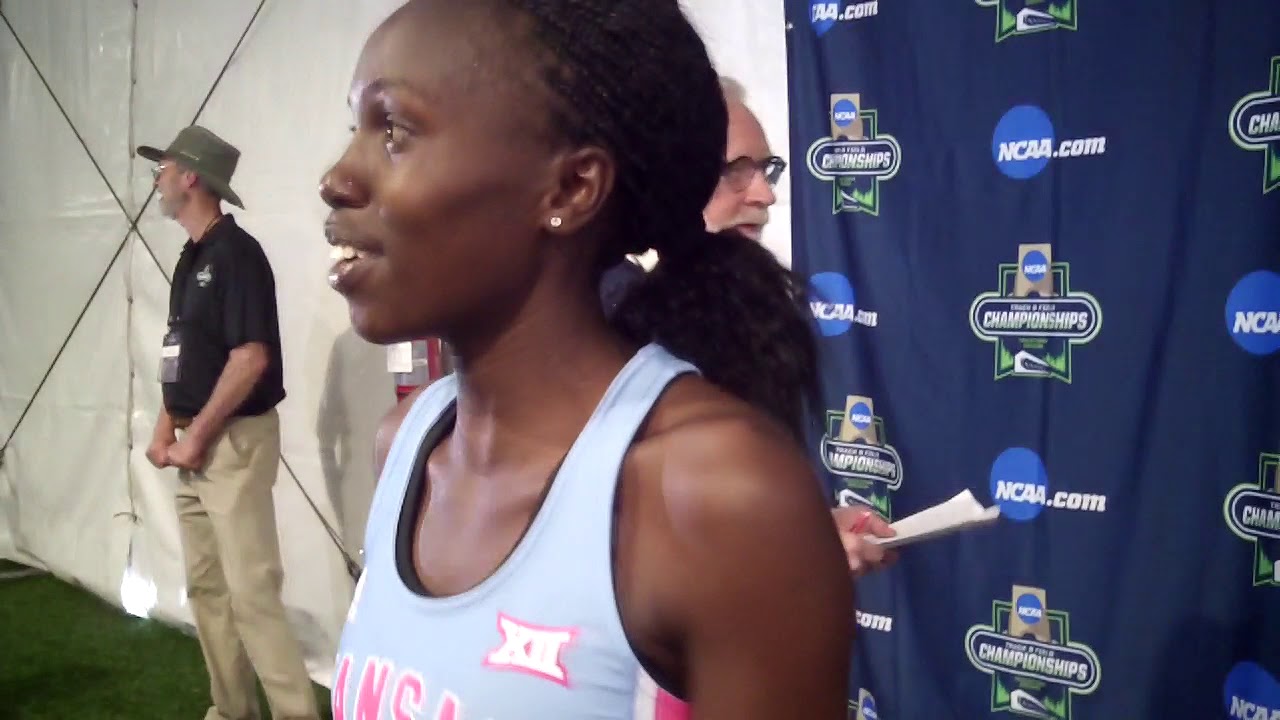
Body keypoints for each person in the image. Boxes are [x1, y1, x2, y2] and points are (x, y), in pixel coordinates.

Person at [320, 1, 855, 717]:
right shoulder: (406, 444)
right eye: (355, 125)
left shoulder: (720, 498)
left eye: (394, 130)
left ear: (571, 188)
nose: (336, 178)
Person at [600, 75, 899, 579]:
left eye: (766, 170)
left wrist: (807, 530)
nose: (765, 194)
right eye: (734, 171)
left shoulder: (748, 316)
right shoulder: (601, 322)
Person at [139, 125, 319, 720]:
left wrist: (196, 437)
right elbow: (187, 355)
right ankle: (233, 711)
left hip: (231, 444)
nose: (157, 180)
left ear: (190, 178)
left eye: (162, 169)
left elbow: (250, 359)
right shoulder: (192, 258)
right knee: (210, 593)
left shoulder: (236, 256)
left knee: (251, 595)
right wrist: (171, 428)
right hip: (199, 443)